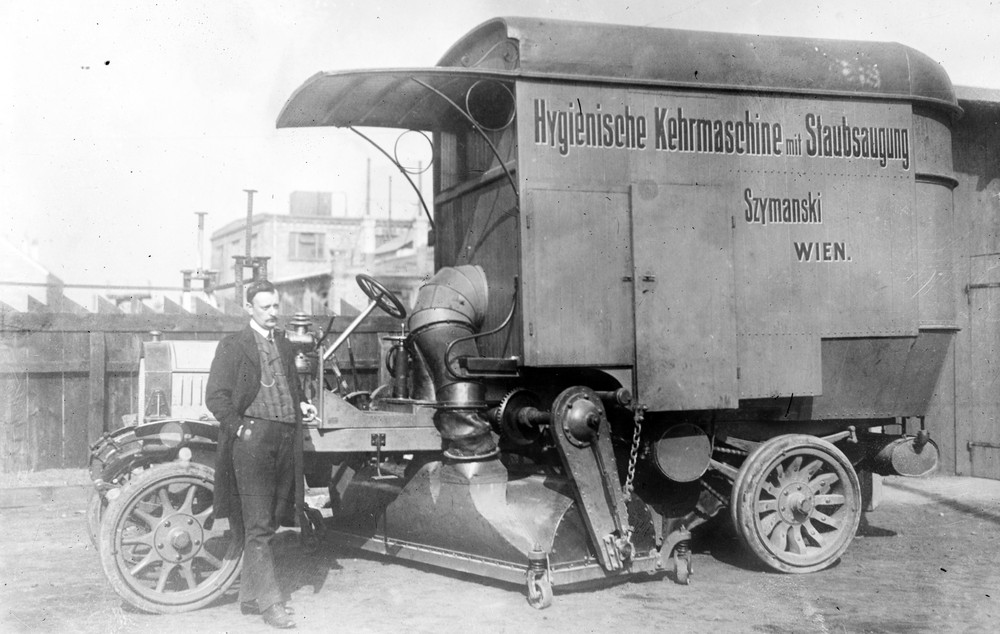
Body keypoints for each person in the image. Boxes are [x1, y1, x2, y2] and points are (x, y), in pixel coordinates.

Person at [205, 280, 316, 630]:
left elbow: (291, 386)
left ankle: (250, 597)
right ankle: (271, 604)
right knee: (257, 525)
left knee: (267, 521)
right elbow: (216, 397)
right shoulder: (233, 345)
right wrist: (239, 428)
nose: (273, 312)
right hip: (252, 441)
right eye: (266, 307)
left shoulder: (281, 342)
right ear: (248, 307)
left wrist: (302, 405)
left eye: (275, 306)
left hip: (285, 438)